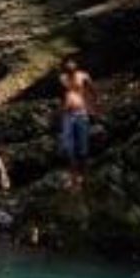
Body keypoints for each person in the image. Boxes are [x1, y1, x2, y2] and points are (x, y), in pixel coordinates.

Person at [60, 57, 97, 191]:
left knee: (83, 148)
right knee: (69, 149)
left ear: (76, 64)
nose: (70, 64)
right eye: (68, 62)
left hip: (81, 114)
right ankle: (74, 179)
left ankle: (84, 177)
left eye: (72, 62)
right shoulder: (62, 78)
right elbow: (62, 95)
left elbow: (93, 91)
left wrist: (93, 108)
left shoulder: (83, 76)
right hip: (67, 116)